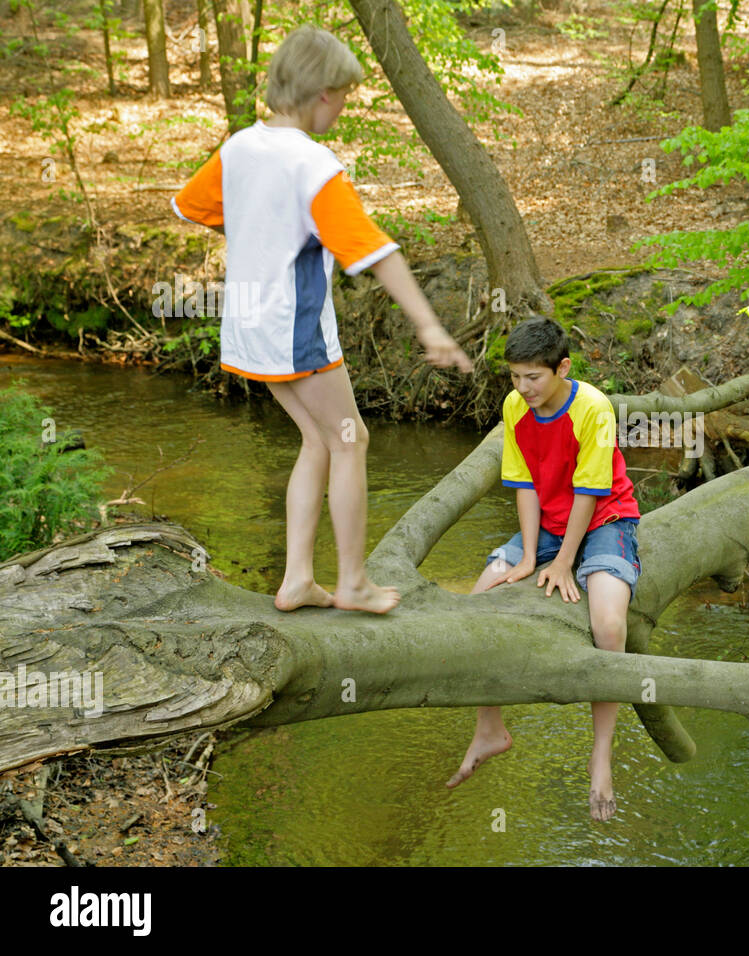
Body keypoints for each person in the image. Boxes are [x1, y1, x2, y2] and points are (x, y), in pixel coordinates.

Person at [171, 25, 472, 614]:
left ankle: (298, 581)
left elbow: (191, 205)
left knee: (317, 438)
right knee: (350, 438)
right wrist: (430, 327)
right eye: (345, 95)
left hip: (248, 329)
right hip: (292, 328)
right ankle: (354, 582)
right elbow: (376, 251)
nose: (344, 104)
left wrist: (260, 233)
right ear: (325, 93)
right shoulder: (313, 164)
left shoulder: (238, 146)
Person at [447, 317, 641, 822]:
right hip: (549, 527)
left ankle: (601, 755)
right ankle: (490, 729)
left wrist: (564, 560)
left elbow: (590, 492)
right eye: (514, 376)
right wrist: (532, 556)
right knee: (477, 602)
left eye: (533, 377)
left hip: (604, 520)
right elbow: (525, 484)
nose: (522, 388)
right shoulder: (515, 408)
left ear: (562, 368)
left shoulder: (593, 409)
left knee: (609, 624)